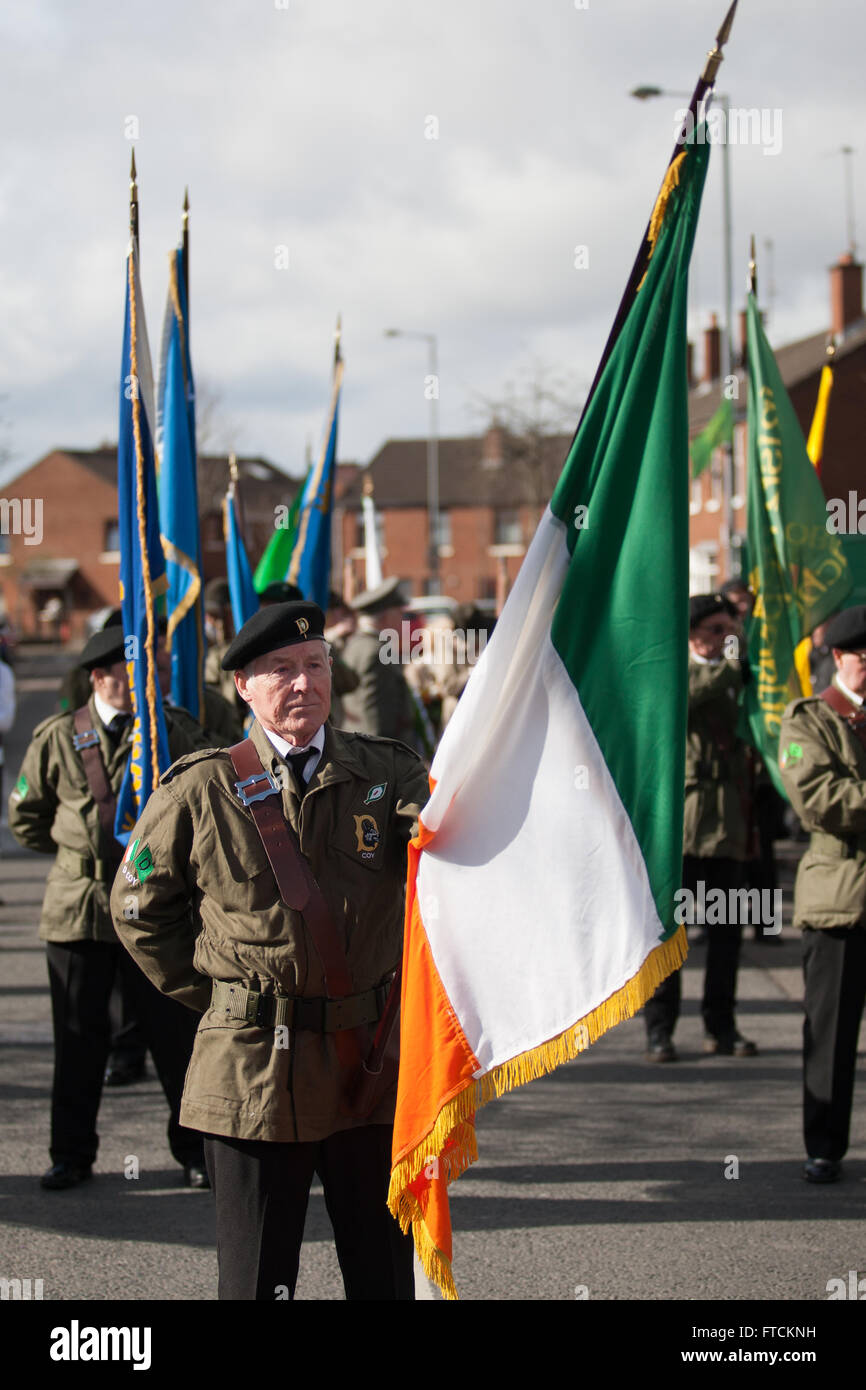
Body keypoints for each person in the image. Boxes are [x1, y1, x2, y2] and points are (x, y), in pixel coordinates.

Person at [110, 601, 430, 1299]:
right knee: (256, 1282)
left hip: (367, 1068)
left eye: (314, 666)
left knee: (383, 1278)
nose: (302, 683)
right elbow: (136, 906)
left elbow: (445, 850)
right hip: (251, 1072)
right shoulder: (201, 786)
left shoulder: (389, 774)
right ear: (243, 687)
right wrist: (223, 999)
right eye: (280, 669)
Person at [7, 625, 209, 1190]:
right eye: (129, 674)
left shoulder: (172, 732)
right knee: (77, 1040)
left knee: (174, 1037)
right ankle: (71, 1155)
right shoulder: (57, 737)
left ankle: (194, 1153)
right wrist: (83, 857)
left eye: (148, 672)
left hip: (156, 913)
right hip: (80, 910)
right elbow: (26, 818)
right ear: (100, 677)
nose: (143, 682)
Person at [644, 593, 758, 1062]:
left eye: (730, 630)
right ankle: (660, 1028)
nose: (725, 639)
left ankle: (721, 1026)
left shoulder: (738, 676)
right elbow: (686, 699)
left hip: (728, 815)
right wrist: (734, 663)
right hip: (684, 818)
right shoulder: (677, 671)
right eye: (715, 631)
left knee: (727, 930)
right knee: (671, 933)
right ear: (691, 635)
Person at [779, 604, 866, 1183]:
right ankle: (825, 1146)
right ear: (838, 657)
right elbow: (819, 799)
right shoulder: (809, 720)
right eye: (865, 656)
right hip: (839, 894)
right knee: (831, 1033)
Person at [341, 577, 417, 745]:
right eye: (399, 613)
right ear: (386, 616)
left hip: (358, 741)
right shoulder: (378, 652)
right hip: (377, 749)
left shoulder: (356, 643)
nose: (403, 619)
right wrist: (382, 753)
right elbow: (376, 711)